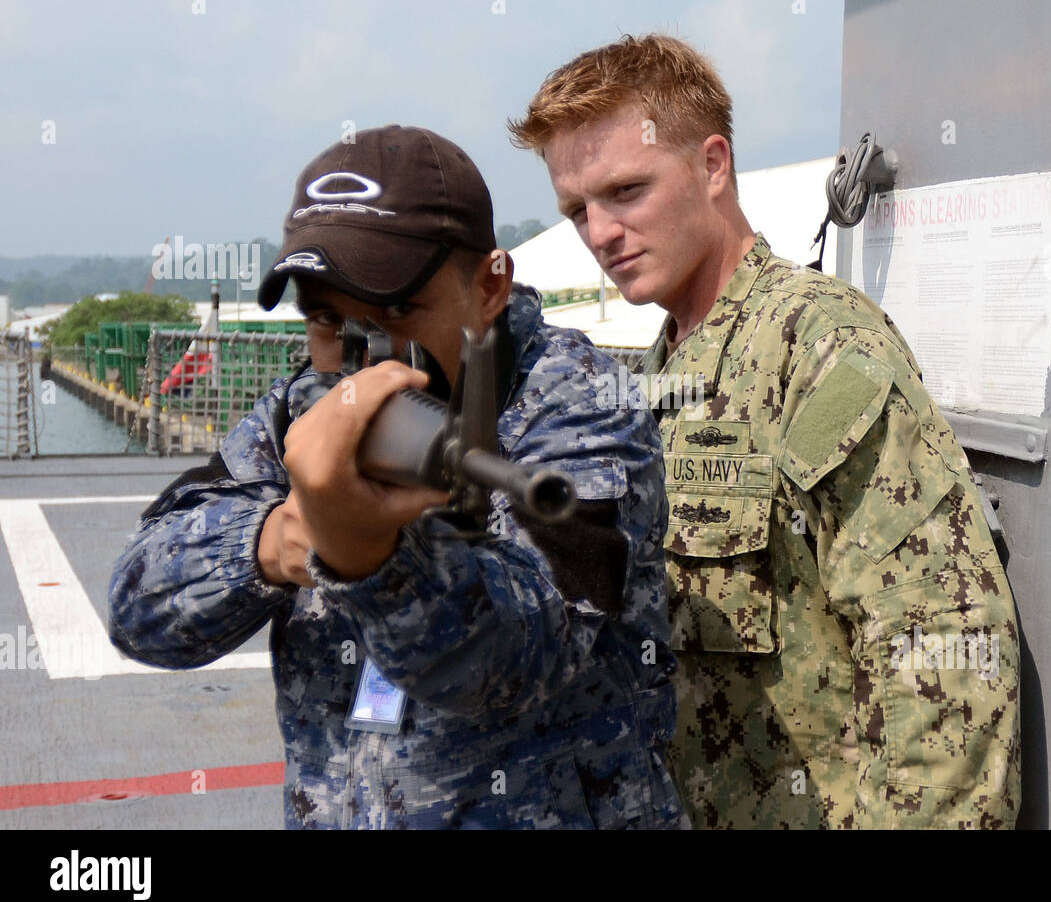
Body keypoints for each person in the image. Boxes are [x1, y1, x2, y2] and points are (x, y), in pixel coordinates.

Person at [108, 125, 686, 829]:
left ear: (490, 284)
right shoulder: (296, 409)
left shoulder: (582, 402)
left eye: (395, 313)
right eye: (328, 321)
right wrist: (275, 540)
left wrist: (369, 555)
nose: (363, 362)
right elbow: (139, 605)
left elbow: (521, 654)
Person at [510, 35, 1021, 829]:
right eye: (579, 210)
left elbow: (941, 644)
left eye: (626, 190)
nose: (601, 233)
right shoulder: (661, 378)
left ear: (713, 165)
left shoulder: (816, 345)